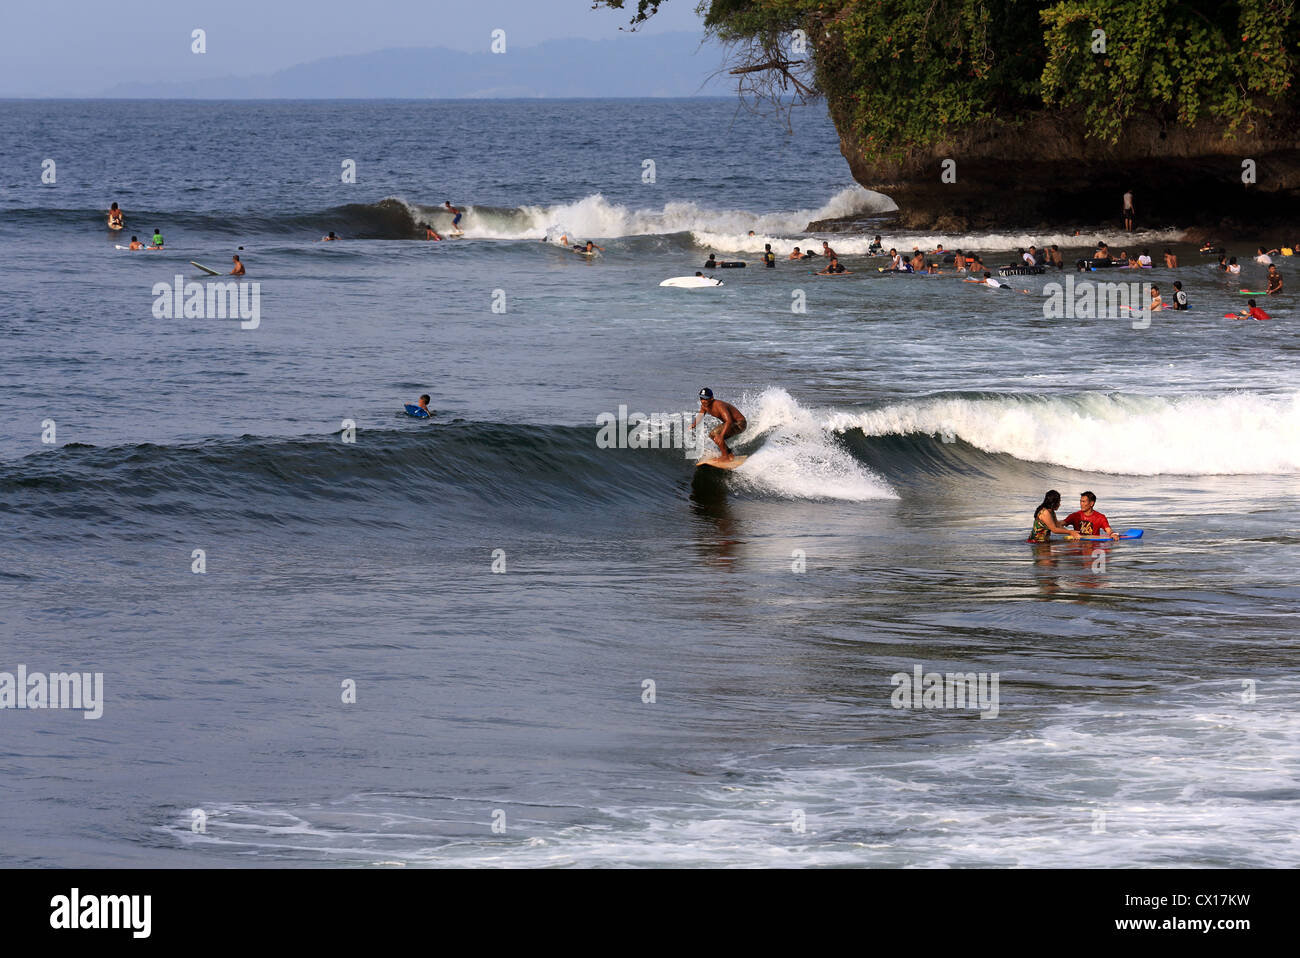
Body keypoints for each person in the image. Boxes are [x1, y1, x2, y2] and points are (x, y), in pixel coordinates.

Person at [690, 387, 747, 463]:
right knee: (712, 435)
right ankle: (729, 454)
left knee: (717, 435)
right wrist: (693, 425)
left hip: (739, 424)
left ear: (711, 398)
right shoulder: (704, 406)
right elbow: (701, 415)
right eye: (701, 398)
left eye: (706, 399)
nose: (703, 401)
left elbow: (729, 421)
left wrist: (721, 436)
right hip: (732, 423)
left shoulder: (719, 405)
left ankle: (725, 457)